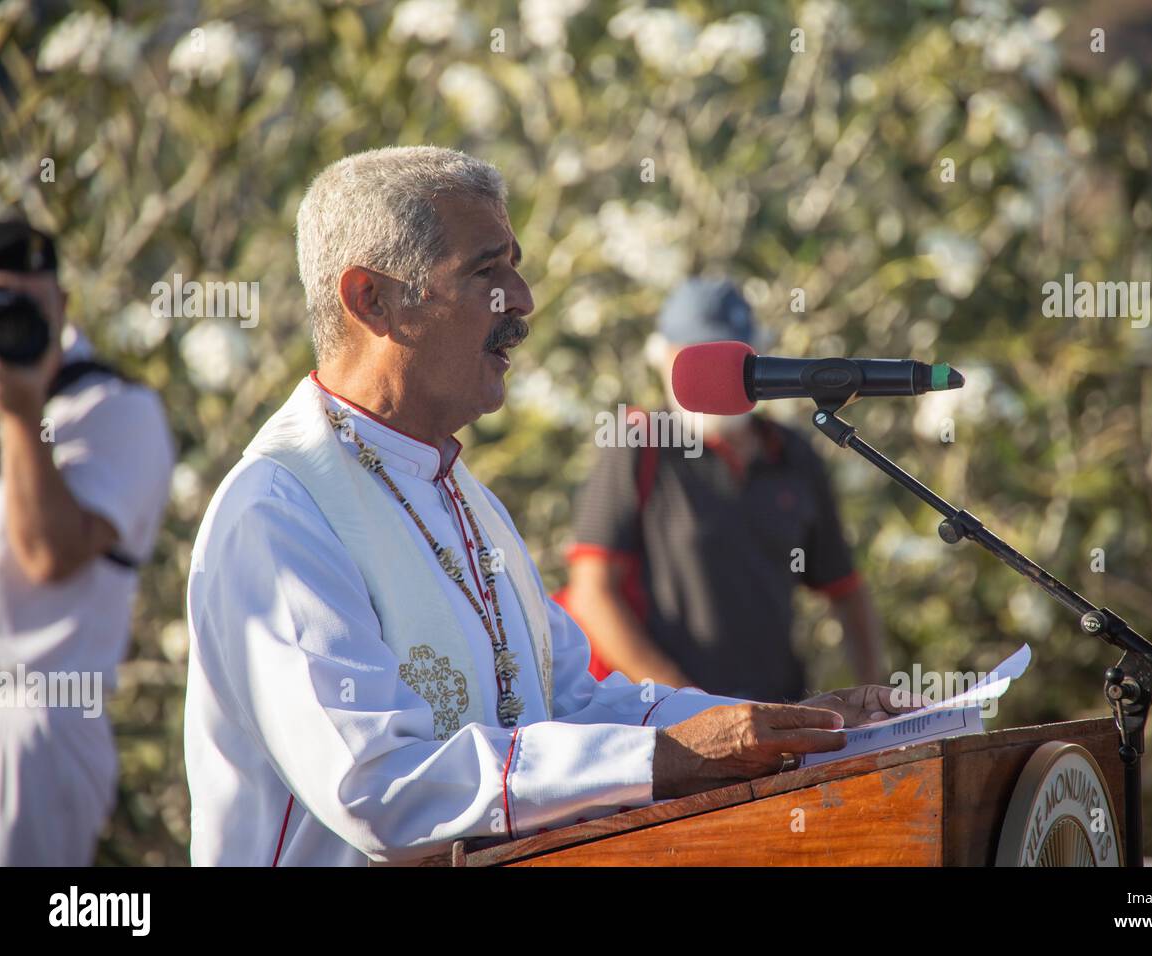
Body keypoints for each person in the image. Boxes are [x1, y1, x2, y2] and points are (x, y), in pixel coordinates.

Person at [184, 146, 914, 866]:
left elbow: (575, 703)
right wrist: (668, 756)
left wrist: (803, 725)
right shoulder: (281, 506)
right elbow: (379, 788)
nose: (523, 300)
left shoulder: (467, 499)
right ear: (371, 299)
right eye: (486, 271)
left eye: (516, 264)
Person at [563, 278, 887, 702]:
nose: (716, 376)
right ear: (663, 359)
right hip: (668, 736)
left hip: (777, 720)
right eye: (695, 358)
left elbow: (846, 589)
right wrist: (688, 707)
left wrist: (874, 699)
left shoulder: (793, 454)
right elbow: (591, 595)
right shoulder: (638, 444)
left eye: (731, 360)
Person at [0, 217, 174, 865]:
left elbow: (49, 554)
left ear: (62, 306)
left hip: (35, 723)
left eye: (23, 305)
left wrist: (20, 411)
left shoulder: (115, 408)